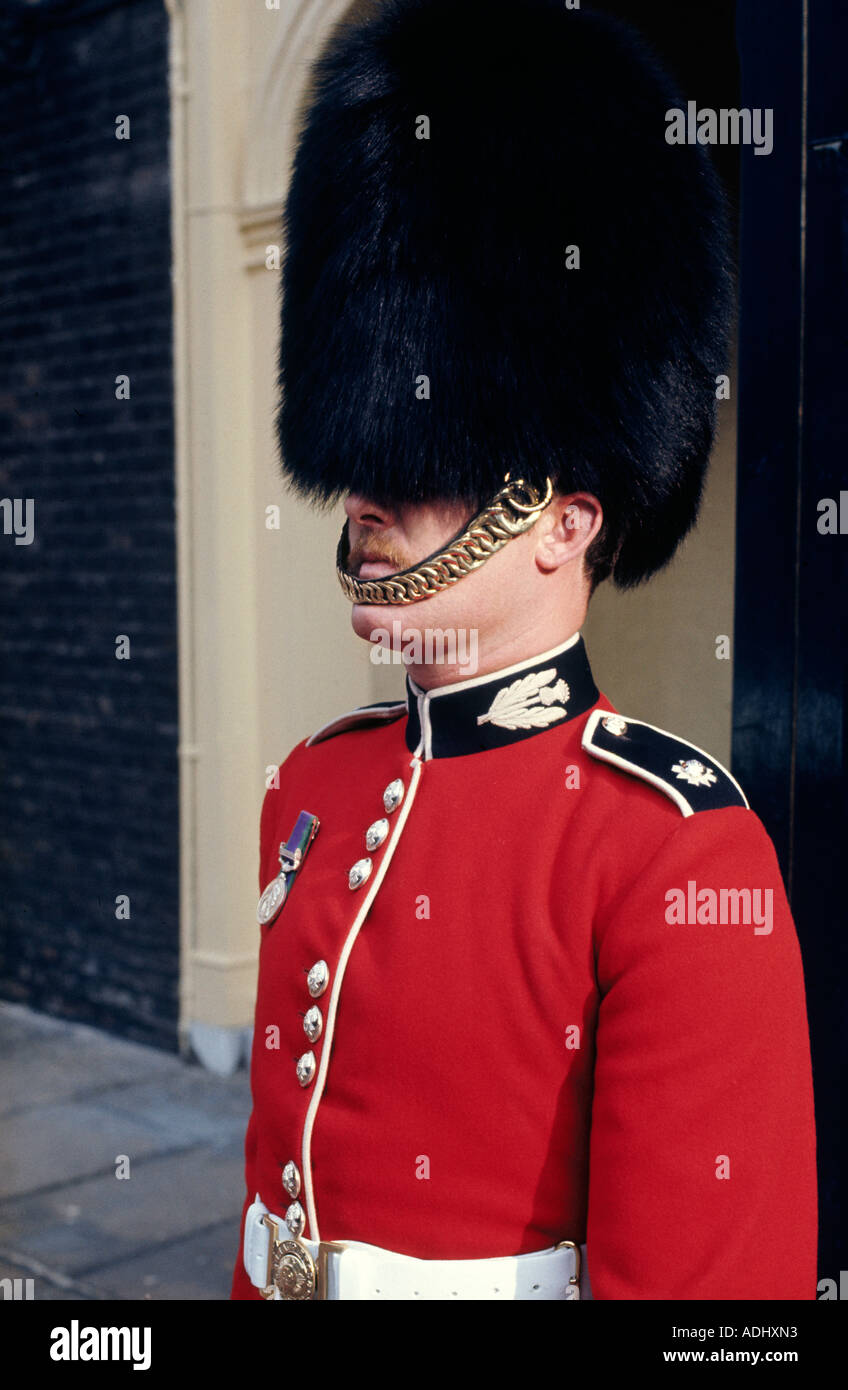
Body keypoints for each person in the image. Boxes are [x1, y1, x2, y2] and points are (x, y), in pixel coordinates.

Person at [230, 0, 817, 1300]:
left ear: (563, 519)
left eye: (422, 459)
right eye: (363, 450)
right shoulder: (311, 792)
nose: (366, 498)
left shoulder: (671, 853)